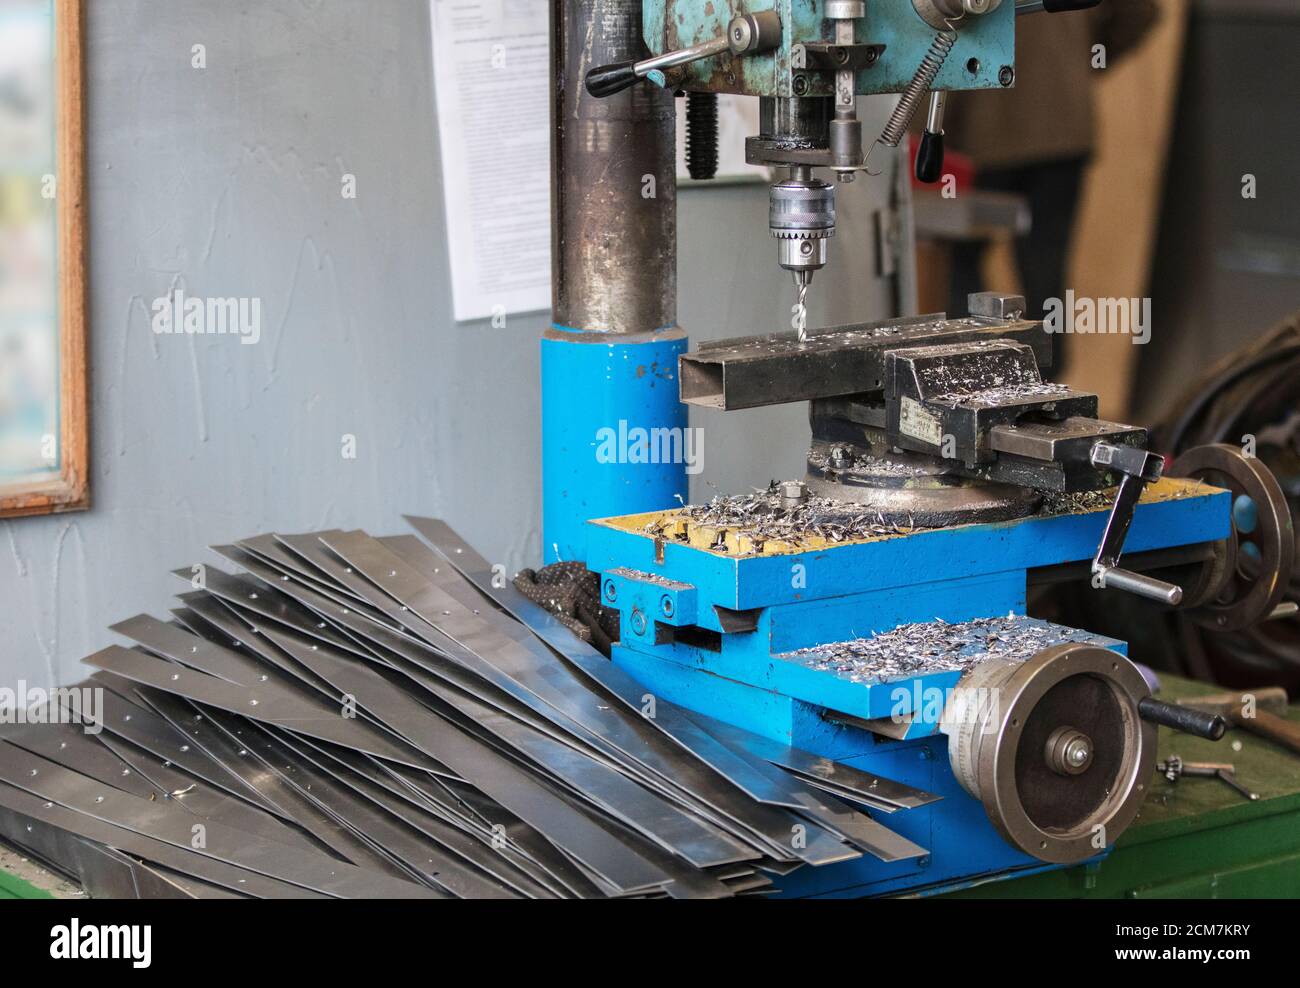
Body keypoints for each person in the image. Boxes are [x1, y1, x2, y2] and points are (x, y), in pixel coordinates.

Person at [944, 1, 1160, 372]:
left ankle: (971, 374)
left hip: (986, 132)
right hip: (1062, 129)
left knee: (963, 259)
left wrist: (925, 135)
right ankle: (1047, 385)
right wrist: (1085, 60)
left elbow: (939, 31)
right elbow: (1140, 11)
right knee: (1046, 263)